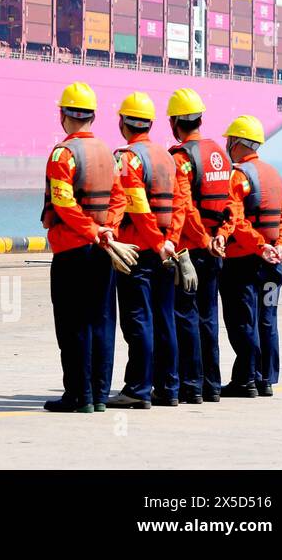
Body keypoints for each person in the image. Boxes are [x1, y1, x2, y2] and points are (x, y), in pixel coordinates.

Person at [41, 82, 130, 413]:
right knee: (102, 321)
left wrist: (94, 231)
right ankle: (99, 395)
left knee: (73, 323)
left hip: (72, 251)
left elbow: (64, 204)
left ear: (63, 115)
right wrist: (108, 230)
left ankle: (79, 396)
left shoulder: (63, 154)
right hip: (104, 251)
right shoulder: (108, 154)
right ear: (92, 116)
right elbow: (120, 199)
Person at [105, 92, 187, 410]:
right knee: (165, 318)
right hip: (166, 250)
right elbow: (181, 204)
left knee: (138, 319)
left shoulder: (128, 158)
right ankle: (169, 387)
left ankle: (138, 388)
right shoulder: (168, 157)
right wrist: (170, 242)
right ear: (151, 123)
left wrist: (155, 243)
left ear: (123, 123)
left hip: (137, 251)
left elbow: (137, 206)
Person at [219, 115, 282, 398]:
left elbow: (236, 220)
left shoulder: (238, 176)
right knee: (267, 318)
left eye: (229, 140)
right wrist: (281, 246)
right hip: (273, 266)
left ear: (236, 143)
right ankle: (266, 379)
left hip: (243, 263)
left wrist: (259, 246)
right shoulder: (273, 175)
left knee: (243, 321)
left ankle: (245, 380)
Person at [166, 88, 232, 403]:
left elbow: (184, 208)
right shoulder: (220, 152)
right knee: (208, 316)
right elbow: (231, 204)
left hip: (192, 251)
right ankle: (213, 386)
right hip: (216, 250)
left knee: (186, 316)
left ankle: (191, 386)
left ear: (176, 121)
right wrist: (222, 236)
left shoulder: (182, 158)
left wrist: (203, 240)